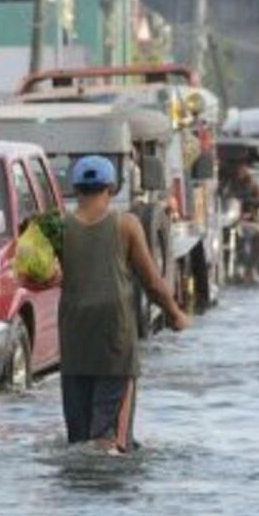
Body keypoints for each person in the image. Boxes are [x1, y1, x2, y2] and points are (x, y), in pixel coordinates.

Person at [52, 156, 189, 454]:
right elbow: (152, 282)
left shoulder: (59, 227)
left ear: (75, 188)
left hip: (74, 340)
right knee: (111, 439)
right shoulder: (126, 225)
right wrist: (176, 315)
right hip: (114, 342)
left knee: (79, 440)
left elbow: (42, 276)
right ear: (112, 188)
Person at [224, 159, 259, 282]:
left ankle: (256, 266)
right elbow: (225, 199)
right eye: (237, 168)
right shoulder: (227, 182)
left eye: (242, 168)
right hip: (232, 220)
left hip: (251, 218)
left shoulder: (251, 183)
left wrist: (251, 205)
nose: (239, 171)